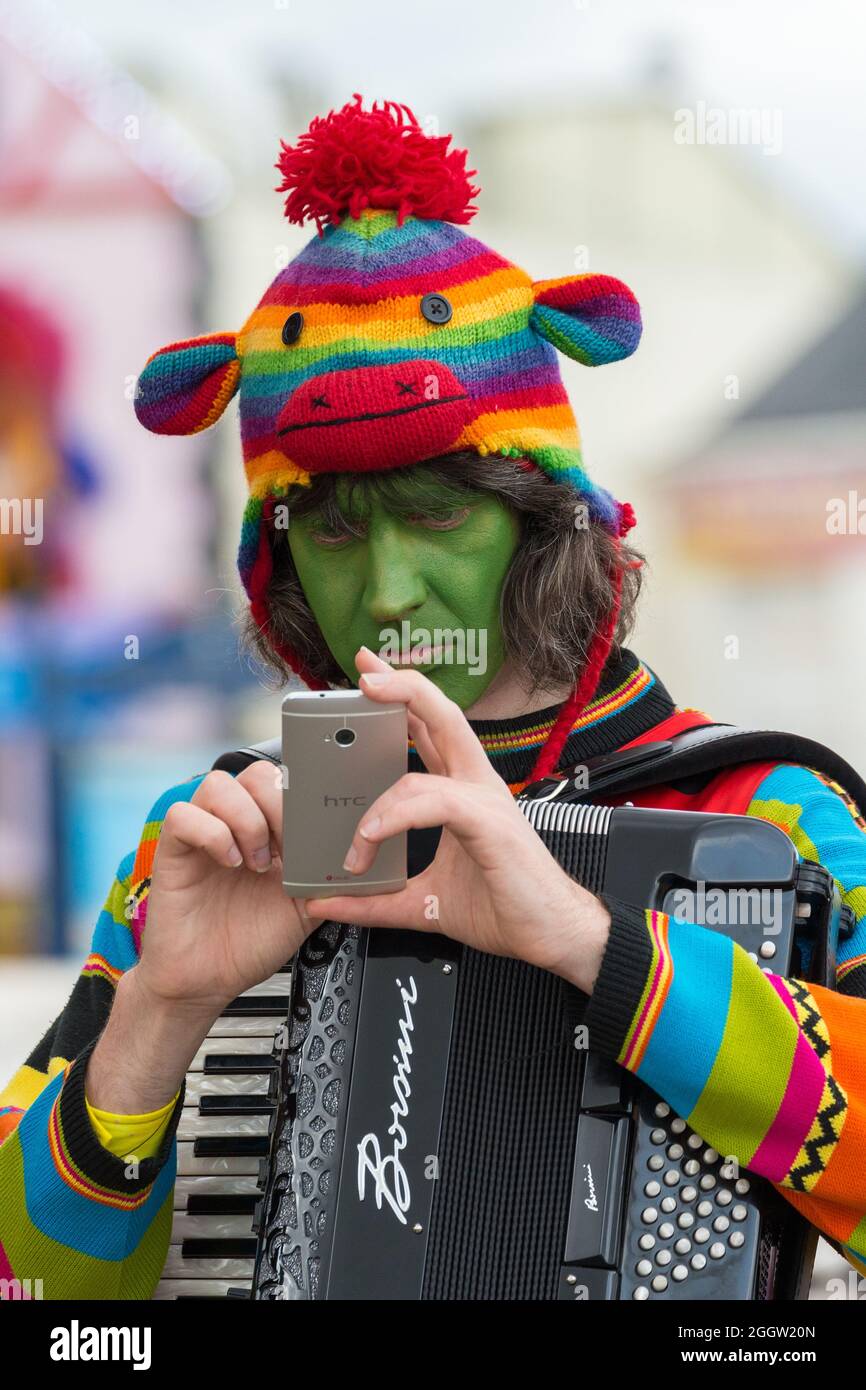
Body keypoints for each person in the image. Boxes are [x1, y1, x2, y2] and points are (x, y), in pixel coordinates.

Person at [1, 95, 864, 1301]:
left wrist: (590, 944)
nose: (391, 588)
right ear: (275, 563)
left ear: (546, 519)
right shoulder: (210, 839)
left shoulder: (770, 811)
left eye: (439, 513)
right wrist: (158, 1012)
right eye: (336, 532)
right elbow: (37, 1295)